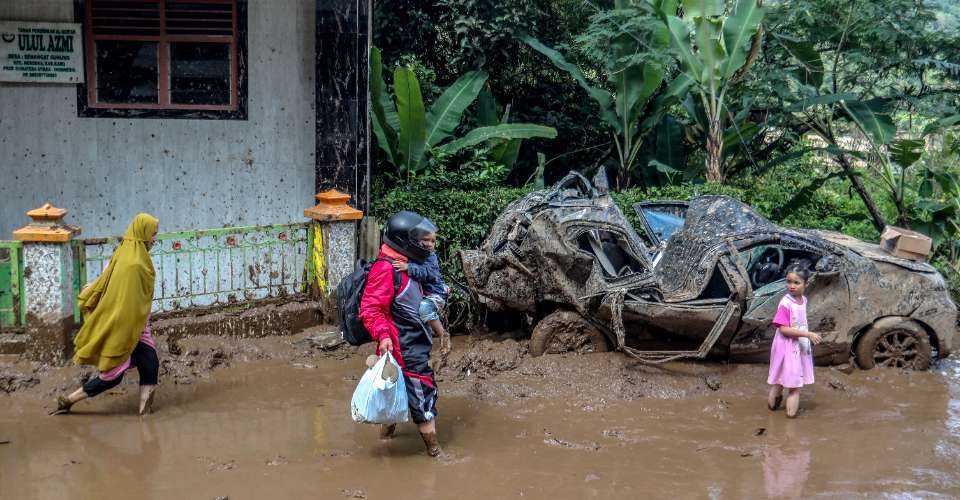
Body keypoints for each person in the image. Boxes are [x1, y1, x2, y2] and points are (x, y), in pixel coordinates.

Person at [51, 213, 160, 416]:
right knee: (112, 376)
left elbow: (107, 281)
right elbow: (126, 300)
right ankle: (68, 401)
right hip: (126, 327)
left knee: (150, 364)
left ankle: (145, 415)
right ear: (143, 233)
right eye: (153, 234)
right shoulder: (135, 264)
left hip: (136, 327)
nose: (155, 238)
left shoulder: (123, 254)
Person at [359, 211, 444, 457]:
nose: (426, 245)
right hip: (402, 347)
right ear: (406, 242)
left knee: (390, 393)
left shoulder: (410, 263)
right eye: (421, 241)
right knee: (422, 395)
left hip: (412, 342)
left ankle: (386, 441)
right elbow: (370, 308)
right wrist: (383, 335)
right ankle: (435, 451)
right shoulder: (386, 269)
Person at [766, 262, 823, 418]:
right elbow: (783, 329)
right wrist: (808, 334)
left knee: (780, 380)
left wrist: (805, 335)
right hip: (787, 346)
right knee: (794, 386)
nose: (791, 286)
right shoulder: (785, 303)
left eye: (796, 283)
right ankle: (790, 422)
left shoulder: (803, 300)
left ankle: (771, 415)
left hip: (797, 346)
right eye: (789, 282)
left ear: (806, 284)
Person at [390, 226, 451, 362]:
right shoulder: (414, 253)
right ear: (416, 241)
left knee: (425, 309)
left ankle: (443, 335)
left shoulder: (431, 256)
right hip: (423, 294)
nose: (430, 244)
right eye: (425, 240)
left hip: (435, 294)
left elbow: (427, 272)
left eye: (433, 241)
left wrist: (408, 267)